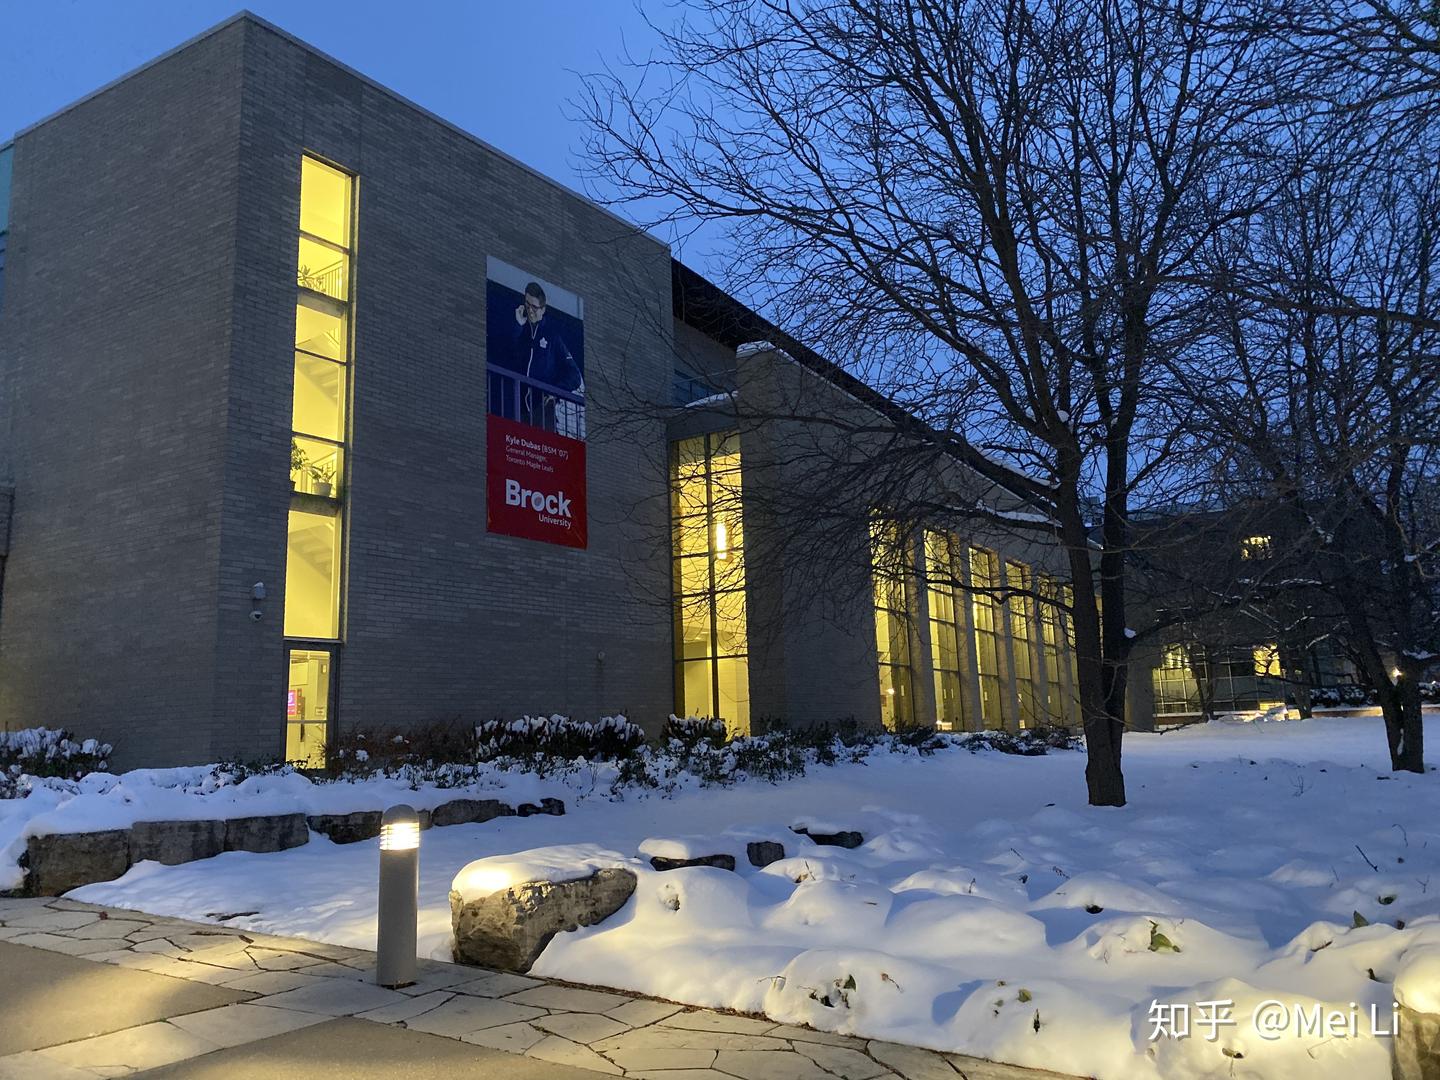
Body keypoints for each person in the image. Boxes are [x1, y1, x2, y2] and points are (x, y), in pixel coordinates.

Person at [511, 282, 583, 433]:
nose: (530, 310)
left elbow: (575, 375)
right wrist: (518, 325)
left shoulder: (552, 337)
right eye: (527, 304)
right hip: (520, 409)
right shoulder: (521, 330)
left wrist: (554, 391)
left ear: (543, 310)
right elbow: (511, 356)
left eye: (535, 307)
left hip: (543, 410)